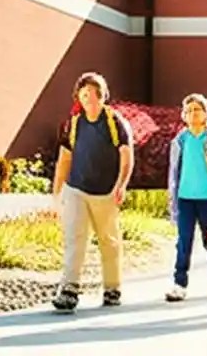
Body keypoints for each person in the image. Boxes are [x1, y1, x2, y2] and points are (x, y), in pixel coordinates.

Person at [52, 72, 134, 312]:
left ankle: (112, 288)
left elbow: (126, 155)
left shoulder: (115, 122)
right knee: (74, 239)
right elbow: (64, 159)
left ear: (102, 96)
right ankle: (69, 289)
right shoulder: (74, 123)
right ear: (78, 96)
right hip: (76, 189)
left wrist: (121, 184)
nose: (88, 98)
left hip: (106, 192)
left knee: (109, 241)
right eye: (84, 93)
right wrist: (57, 194)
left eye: (93, 93)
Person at [165, 93, 207, 302]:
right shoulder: (180, 140)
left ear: (206, 114)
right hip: (185, 198)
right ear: (184, 115)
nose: (193, 113)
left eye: (198, 109)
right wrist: (172, 200)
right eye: (190, 110)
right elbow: (174, 172)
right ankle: (179, 283)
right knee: (184, 241)